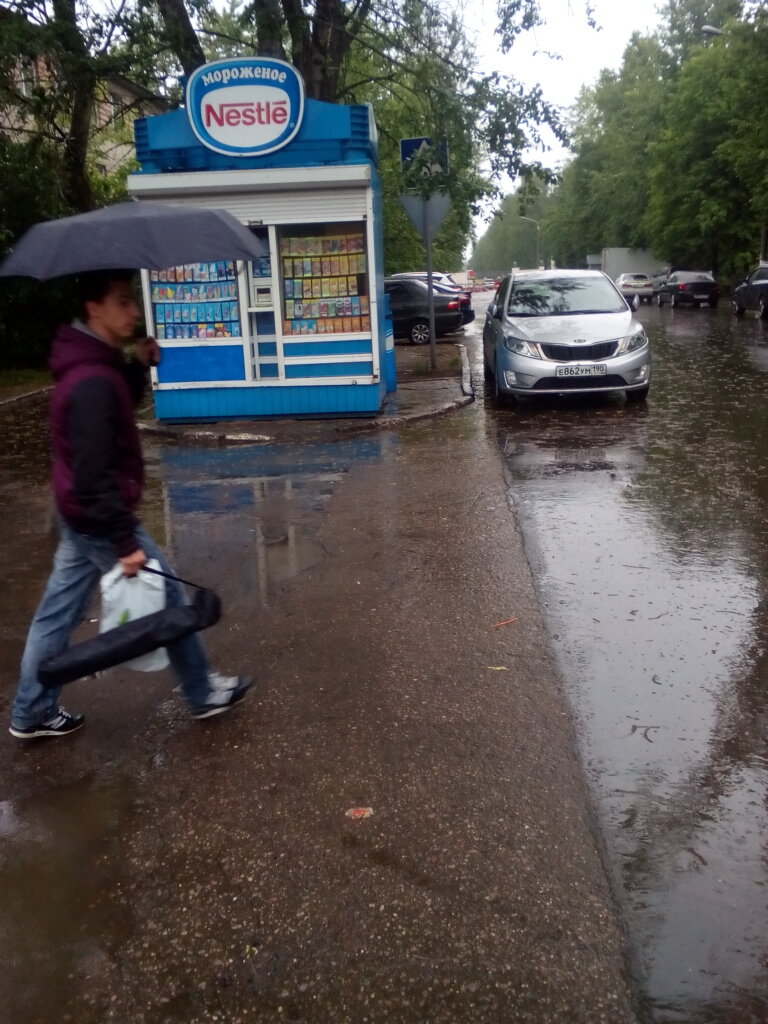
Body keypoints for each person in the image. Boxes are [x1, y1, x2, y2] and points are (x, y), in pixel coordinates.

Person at [9, 269, 251, 739]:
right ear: (94, 309)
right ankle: (202, 693)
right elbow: (94, 473)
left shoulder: (95, 366)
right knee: (170, 598)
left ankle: (31, 710)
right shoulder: (91, 379)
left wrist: (137, 365)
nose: (134, 310)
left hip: (81, 515)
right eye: (123, 301)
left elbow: (114, 415)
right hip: (99, 517)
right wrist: (124, 541)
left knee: (55, 615)